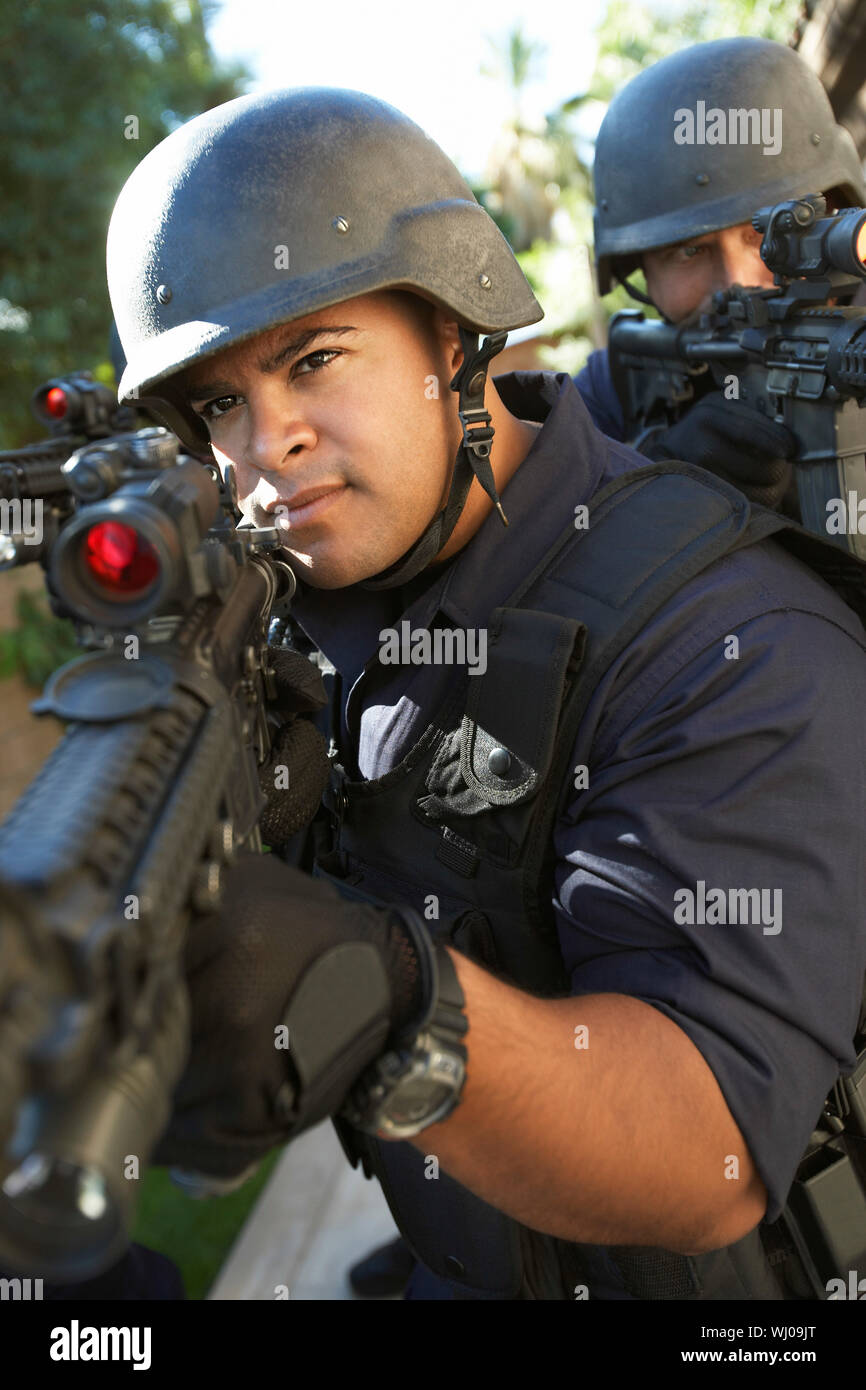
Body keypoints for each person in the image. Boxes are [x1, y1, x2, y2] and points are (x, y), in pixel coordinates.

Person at [105, 85, 866, 1300]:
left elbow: (701, 1146)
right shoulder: (317, 599)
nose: (268, 441)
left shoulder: (726, 633)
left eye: (313, 357)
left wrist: (379, 999)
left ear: (452, 337)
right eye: (218, 404)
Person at [575, 36, 866, 510]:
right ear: (640, 271)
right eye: (689, 251)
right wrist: (650, 489)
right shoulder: (613, 392)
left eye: (770, 236)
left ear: (840, 212)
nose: (739, 280)